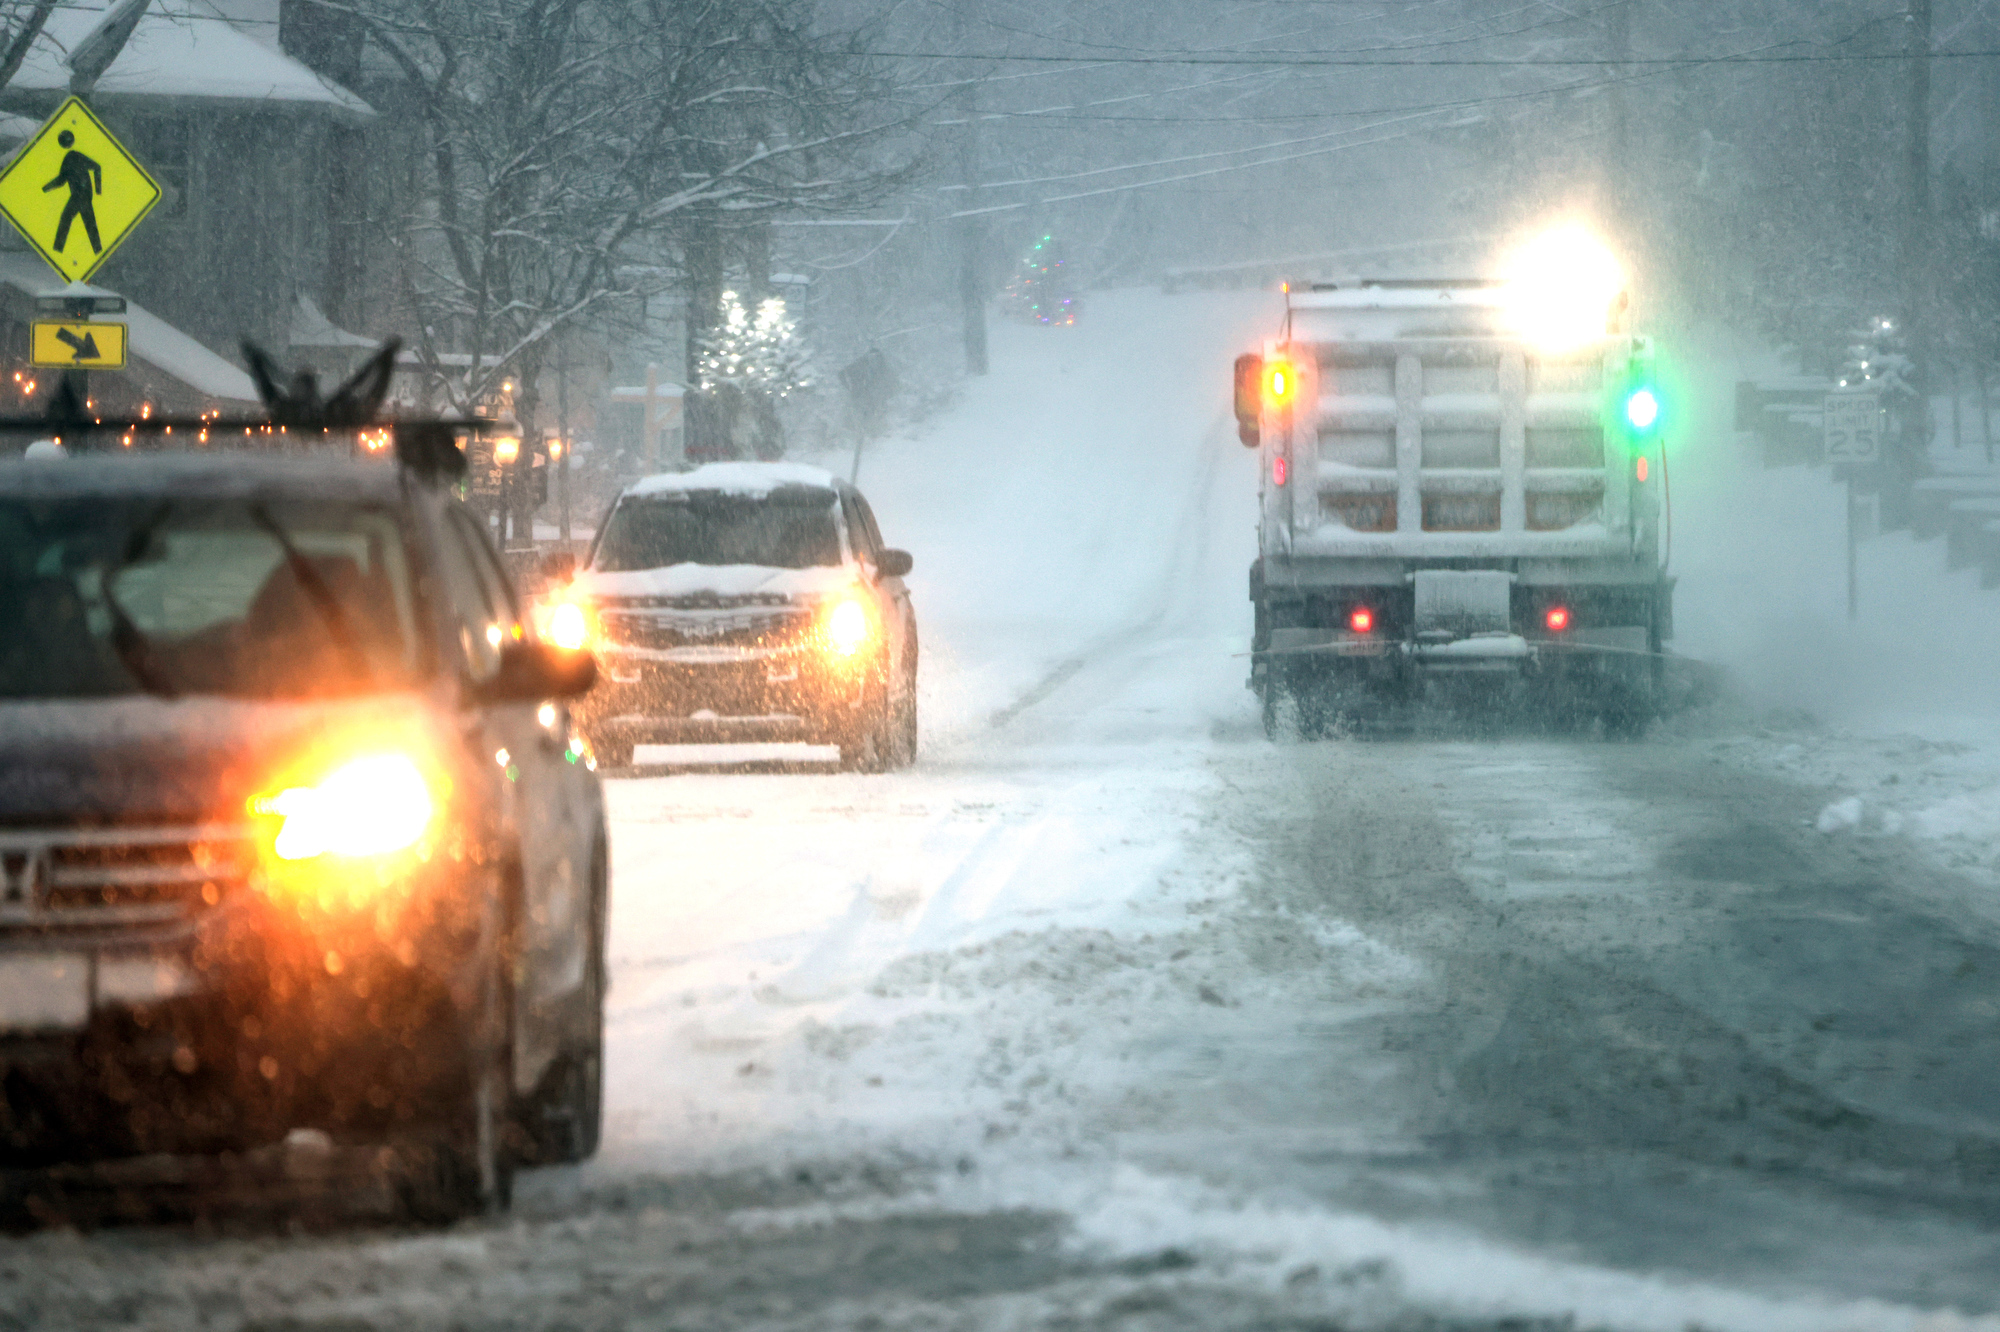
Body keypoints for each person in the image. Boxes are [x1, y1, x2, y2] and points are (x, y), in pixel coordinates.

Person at [42, 130, 102, 255]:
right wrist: (44, 188)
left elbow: (97, 167)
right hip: (81, 195)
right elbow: (61, 180)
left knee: (68, 218)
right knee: (88, 223)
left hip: (81, 195)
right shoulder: (69, 158)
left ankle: (58, 249)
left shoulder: (74, 156)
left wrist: (98, 190)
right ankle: (97, 250)